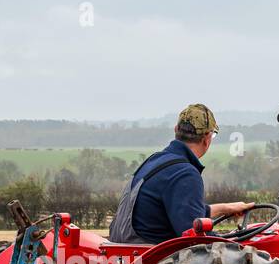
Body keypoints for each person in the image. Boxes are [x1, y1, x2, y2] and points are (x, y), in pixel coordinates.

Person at [108, 103, 255, 244]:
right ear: (207, 138)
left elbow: (184, 212)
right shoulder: (184, 174)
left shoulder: (155, 161)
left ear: (176, 129)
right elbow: (194, 237)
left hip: (122, 254)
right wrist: (227, 240)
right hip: (151, 260)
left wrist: (227, 208)